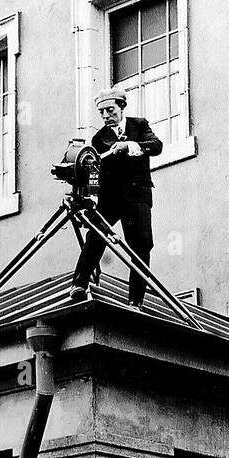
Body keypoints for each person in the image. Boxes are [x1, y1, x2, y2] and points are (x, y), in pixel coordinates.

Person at [69, 89, 162, 309]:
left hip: (137, 197)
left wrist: (129, 146)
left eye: (110, 110)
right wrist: (91, 198)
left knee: (141, 245)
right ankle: (79, 284)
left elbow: (156, 146)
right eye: (101, 112)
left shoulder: (139, 126)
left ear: (121, 107)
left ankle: (135, 300)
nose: (105, 115)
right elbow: (94, 172)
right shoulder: (99, 138)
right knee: (96, 235)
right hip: (110, 198)